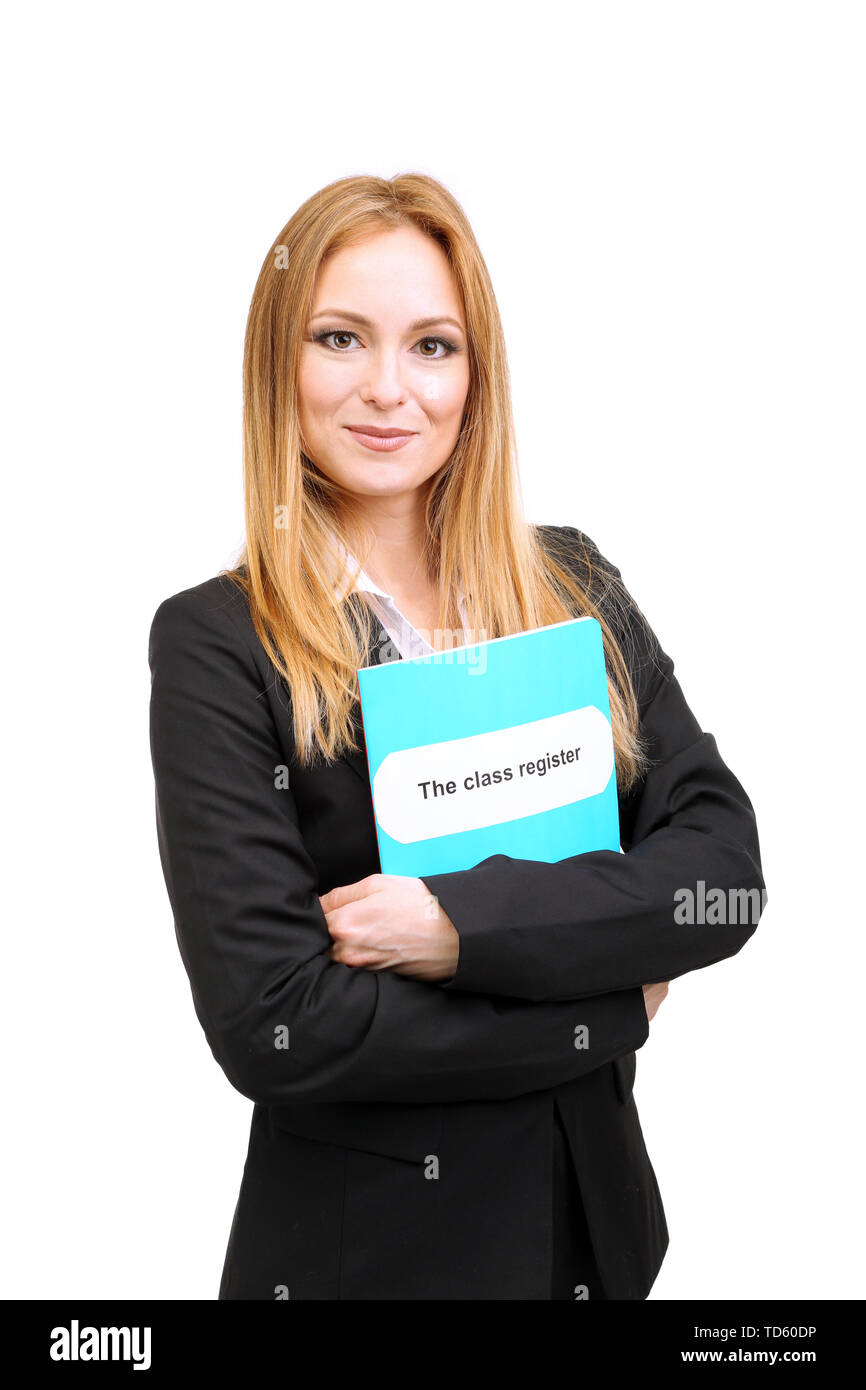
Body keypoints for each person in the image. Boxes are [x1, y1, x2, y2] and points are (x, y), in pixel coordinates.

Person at [148, 172, 766, 1300]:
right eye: (340, 338)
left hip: (594, 1239)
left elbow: (717, 876)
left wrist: (451, 927)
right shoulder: (217, 642)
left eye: (432, 345)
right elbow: (278, 1025)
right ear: (277, 363)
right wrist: (608, 1003)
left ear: (475, 376)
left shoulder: (568, 584)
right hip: (370, 1265)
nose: (389, 389)